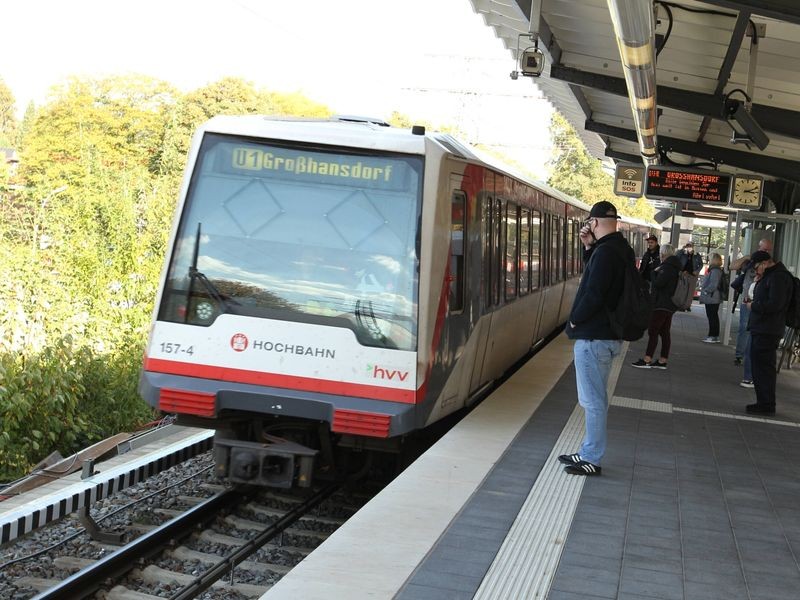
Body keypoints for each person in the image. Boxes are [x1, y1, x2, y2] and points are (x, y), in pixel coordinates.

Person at [560, 201, 630, 477]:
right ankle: (588, 450)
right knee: (594, 398)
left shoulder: (606, 253)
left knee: (593, 401)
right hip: (608, 336)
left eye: (589, 223)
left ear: (595, 222)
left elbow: (593, 292)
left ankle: (591, 457)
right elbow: (598, 276)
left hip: (595, 337)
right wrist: (589, 247)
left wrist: (575, 320)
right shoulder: (619, 249)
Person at [743, 250, 792, 415]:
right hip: (764, 328)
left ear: (765, 263)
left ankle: (766, 404)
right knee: (760, 367)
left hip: (767, 329)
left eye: (756, 267)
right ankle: (763, 402)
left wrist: (754, 305)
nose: (755, 271)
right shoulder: (772, 275)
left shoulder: (778, 277)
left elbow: (775, 304)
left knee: (763, 368)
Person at [631, 244, 680, 369]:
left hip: (661, 304)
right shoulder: (675, 266)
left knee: (653, 331)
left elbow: (658, 284)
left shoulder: (667, 267)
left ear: (663, 254)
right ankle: (662, 360)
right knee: (664, 333)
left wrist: (653, 273)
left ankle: (647, 359)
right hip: (669, 305)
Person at [732, 239, 774, 386]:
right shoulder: (750, 262)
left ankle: (749, 373)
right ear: (759, 247)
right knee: (745, 329)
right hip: (747, 302)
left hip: (758, 306)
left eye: (769, 250)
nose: (767, 252)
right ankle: (740, 357)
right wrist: (747, 257)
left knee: (753, 337)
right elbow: (731, 266)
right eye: (765, 249)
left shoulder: (770, 266)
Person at [699, 253, 724, 343]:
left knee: (712, 317)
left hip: (712, 297)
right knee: (713, 316)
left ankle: (713, 336)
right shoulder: (715, 270)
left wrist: (706, 291)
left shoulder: (715, 271)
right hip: (713, 297)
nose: (709, 260)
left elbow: (714, 284)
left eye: (710, 258)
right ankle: (713, 335)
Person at [676, 241, 702, 311]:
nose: (689, 247)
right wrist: (682, 249)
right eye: (688, 246)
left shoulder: (697, 255)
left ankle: (688, 305)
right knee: (682, 291)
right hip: (683, 274)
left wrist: (697, 271)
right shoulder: (683, 254)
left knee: (690, 292)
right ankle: (681, 305)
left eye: (690, 246)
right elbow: (676, 257)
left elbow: (701, 264)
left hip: (693, 275)